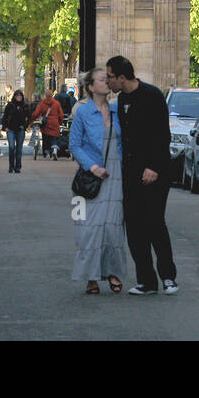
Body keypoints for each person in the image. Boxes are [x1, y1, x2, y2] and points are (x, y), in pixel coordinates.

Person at [105, 54, 177, 295]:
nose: (108, 82)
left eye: (110, 77)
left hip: (157, 171)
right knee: (134, 227)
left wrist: (153, 167)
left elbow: (161, 135)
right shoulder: (122, 99)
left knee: (155, 222)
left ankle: (168, 276)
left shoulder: (152, 95)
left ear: (122, 77)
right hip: (131, 173)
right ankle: (146, 280)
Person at [70, 66, 126, 295]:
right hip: (91, 176)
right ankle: (91, 277)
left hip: (116, 175)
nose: (107, 82)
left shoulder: (117, 110)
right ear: (91, 86)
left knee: (113, 228)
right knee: (89, 229)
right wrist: (92, 167)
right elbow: (74, 145)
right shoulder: (82, 112)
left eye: (107, 79)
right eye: (102, 80)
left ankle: (113, 272)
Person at [1, 89, 31, 173]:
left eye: (20, 96)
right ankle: (11, 166)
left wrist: (25, 125)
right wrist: (5, 127)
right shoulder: (10, 105)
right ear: (14, 97)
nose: (19, 97)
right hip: (10, 129)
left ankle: (18, 166)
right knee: (11, 147)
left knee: (19, 149)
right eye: (17, 96)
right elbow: (5, 117)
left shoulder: (24, 106)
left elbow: (29, 117)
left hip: (20, 129)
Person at [31, 89, 64, 158]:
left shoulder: (42, 103)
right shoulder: (56, 103)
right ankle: (54, 150)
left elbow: (36, 113)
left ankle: (47, 152)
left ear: (45, 95)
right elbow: (61, 115)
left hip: (45, 124)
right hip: (55, 123)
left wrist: (32, 119)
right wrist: (60, 122)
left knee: (45, 139)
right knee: (54, 138)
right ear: (52, 95)